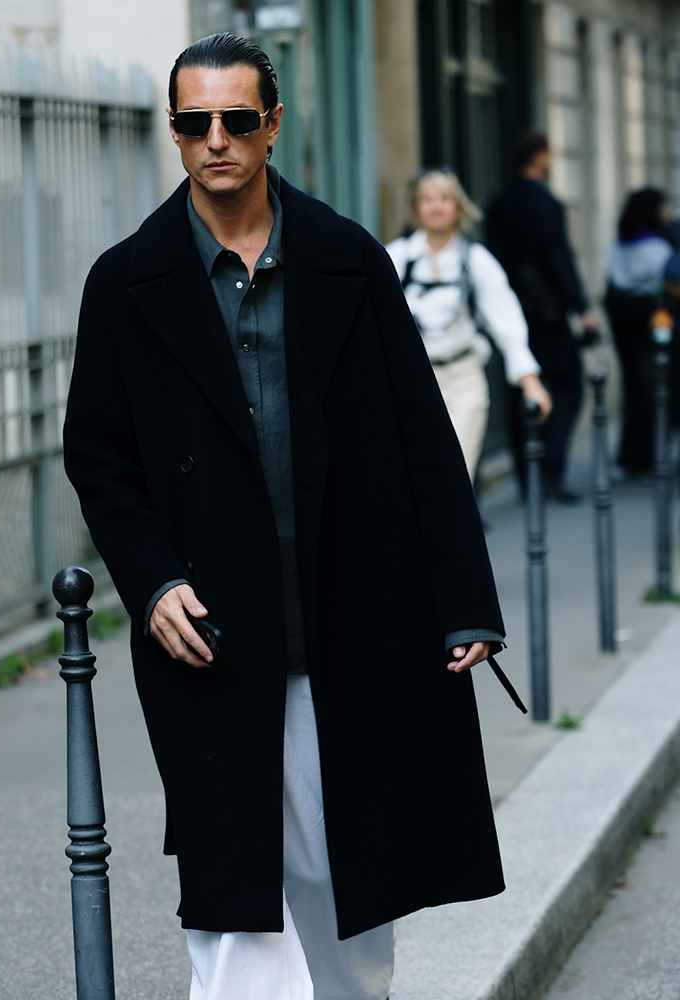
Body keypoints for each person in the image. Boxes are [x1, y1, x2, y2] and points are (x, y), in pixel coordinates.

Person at [64, 33, 507, 1000]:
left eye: (234, 119)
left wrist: (464, 599)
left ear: (271, 124)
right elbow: (99, 458)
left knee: (343, 885)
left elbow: (422, 435)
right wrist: (152, 581)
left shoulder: (346, 259)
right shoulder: (125, 282)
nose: (214, 139)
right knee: (232, 895)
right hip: (211, 634)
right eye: (194, 122)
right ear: (174, 134)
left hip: (351, 618)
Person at [385, 169, 551, 480]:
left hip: (463, 380)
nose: (436, 206)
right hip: (411, 381)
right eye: (428, 199)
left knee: (454, 477)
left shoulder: (476, 260)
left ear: (458, 206)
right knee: (413, 478)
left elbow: (506, 319)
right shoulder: (396, 257)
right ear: (416, 207)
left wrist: (530, 380)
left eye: (444, 198)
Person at [486, 130, 599, 502]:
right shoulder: (545, 203)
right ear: (538, 157)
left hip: (509, 310)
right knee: (568, 385)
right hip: (546, 314)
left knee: (524, 389)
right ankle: (549, 469)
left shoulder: (499, 203)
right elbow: (559, 258)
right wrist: (581, 307)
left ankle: (527, 476)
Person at [604, 187, 674, 475]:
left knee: (633, 385)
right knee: (654, 386)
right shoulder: (659, 246)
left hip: (622, 314)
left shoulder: (621, 241)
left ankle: (631, 456)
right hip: (650, 317)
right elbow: (667, 280)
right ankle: (649, 456)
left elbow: (615, 277)